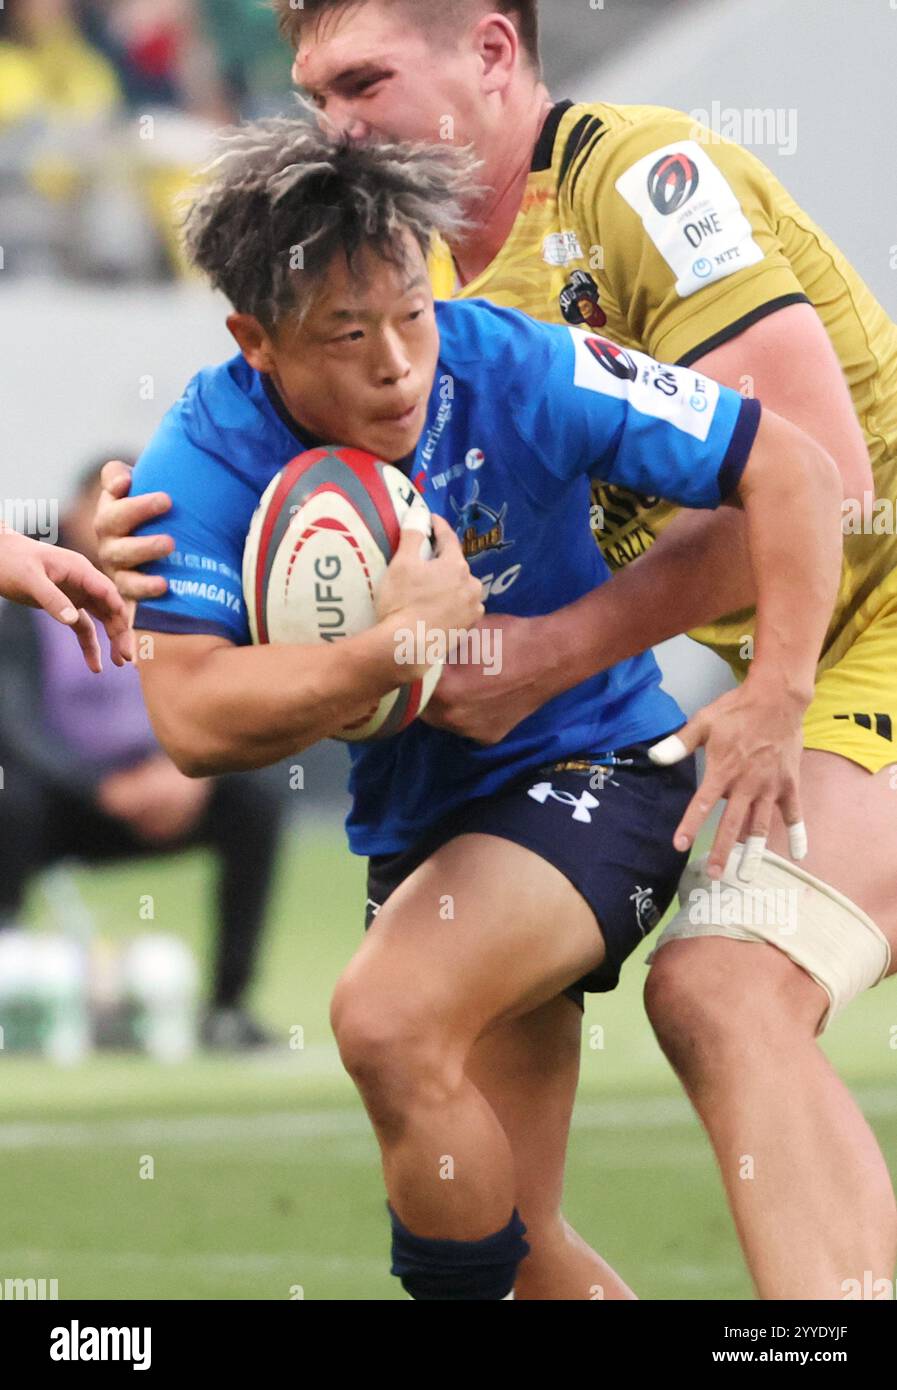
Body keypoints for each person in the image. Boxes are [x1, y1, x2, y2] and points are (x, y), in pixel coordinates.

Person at [96, 0, 897, 1299]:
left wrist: (582, 655)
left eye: (363, 79)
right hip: (475, 787)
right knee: (510, 1247)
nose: (337, 122)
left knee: (719, 987)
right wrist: (182, 561)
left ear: (489, 49)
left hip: (863, 628)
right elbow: (206, 673)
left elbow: (820, 470)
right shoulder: (407, 296)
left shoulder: (637, 182)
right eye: (313, 94)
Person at [0, 465, 285, 1050]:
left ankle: (228, 1007)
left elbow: (220, 697)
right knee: (11, 796)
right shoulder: (28, 610)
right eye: (101, 508)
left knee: (252, 803)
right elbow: (16, 723)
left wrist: (188, 774)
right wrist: (97, 787)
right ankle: (16, 985)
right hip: (66, 802)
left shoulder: (186, 599)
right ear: (72, 517)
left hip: (165, 787)